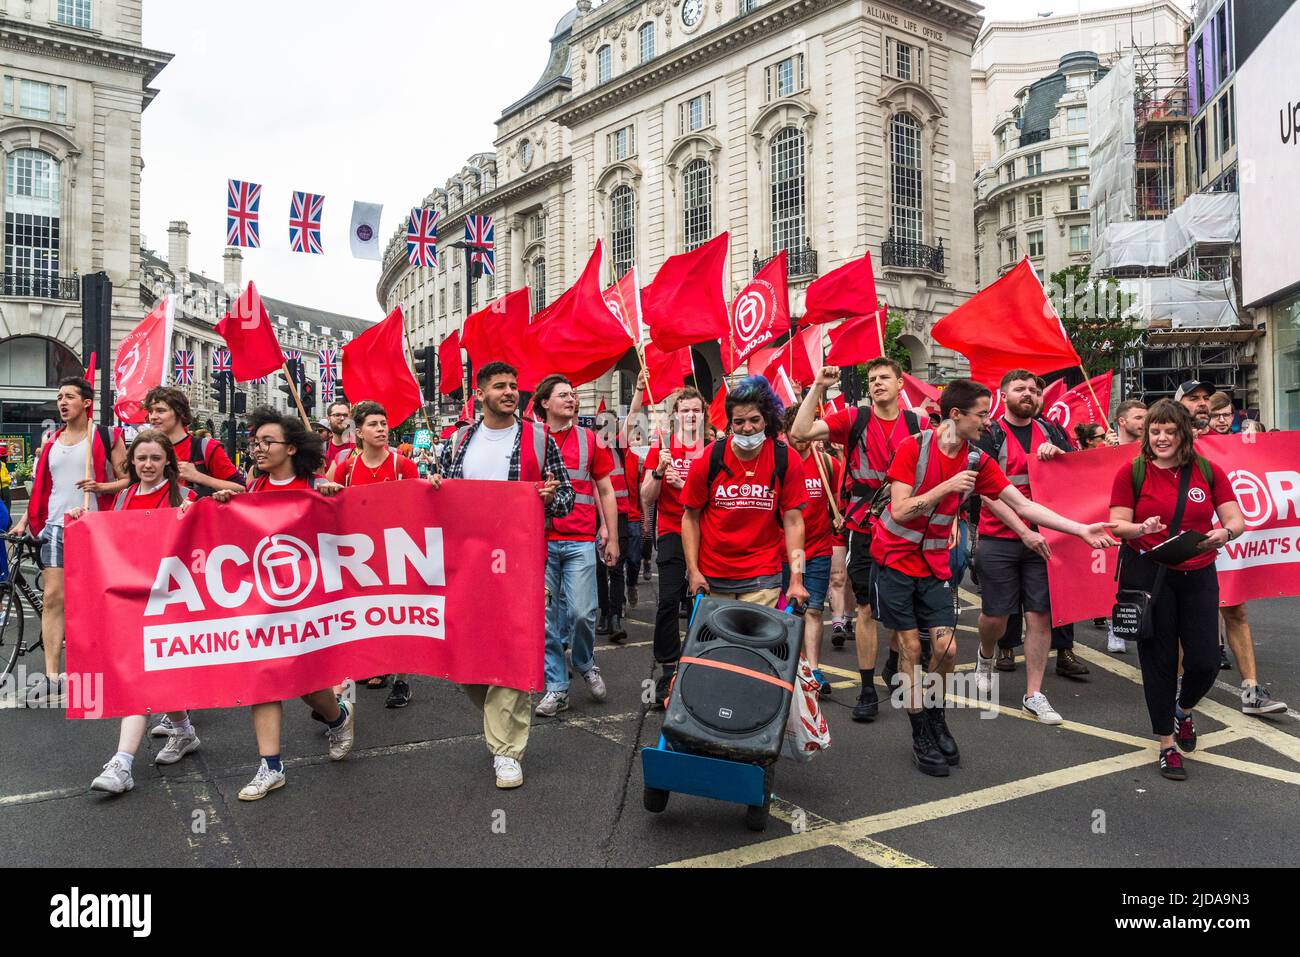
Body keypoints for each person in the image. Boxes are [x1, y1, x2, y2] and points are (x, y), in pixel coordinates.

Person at [873, 380, 1116, 776]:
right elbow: (900, 512)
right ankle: (920, 734)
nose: (987, 423)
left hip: (934, 565)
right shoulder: (913, 447)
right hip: (895, 561)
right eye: (981, 414)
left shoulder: (976, 460)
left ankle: (936, 719)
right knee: (910, 652)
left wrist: (1080, 529)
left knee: (948, 652)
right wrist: (946, 488)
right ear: (956, 415)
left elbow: (1022, 505)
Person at [439, 362, 573, 788]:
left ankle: (507, 750)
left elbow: (567, 497)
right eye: (500, 386)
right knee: (468, 658)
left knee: (511, 650)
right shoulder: (459, 440)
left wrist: (549, 498)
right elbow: (438, 497)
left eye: (514, 386)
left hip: (520, 562)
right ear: (480, 394)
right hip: (467, 564)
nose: (510, 392)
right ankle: (501, 719)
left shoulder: (538, 438)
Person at [210, 408, 355, 800]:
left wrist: (335, 499)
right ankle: (270, 766)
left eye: (267, 442)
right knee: (264, 678)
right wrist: (222, 506)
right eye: (255, 443)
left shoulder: (317, 485)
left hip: (311, 602)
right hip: (265, 603)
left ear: (291, 448)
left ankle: (337, 716)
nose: (258, 449)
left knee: (308, 686)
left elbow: (351, 533)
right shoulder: (252, 491)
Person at [1108, 400, 1247, 780]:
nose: (1162, 438)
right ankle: (1166, 744)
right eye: (1155, 431)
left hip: (1199, 575)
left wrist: (1226, 532)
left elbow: (1236, 517)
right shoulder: (1132, 471)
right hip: (1152, 579)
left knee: (1204, 661)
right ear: (1147, 434)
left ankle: (1183, 710)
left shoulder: (1206, 469)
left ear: (1183, 433)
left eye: (1169, 431)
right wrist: (1140, 528)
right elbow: (1117, 524)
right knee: (1158, 664)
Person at [791, 358, 928, 723]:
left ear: (901, 384)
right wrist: (818, 387)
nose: (878, 382)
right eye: (872, 379)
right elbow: (801, 431)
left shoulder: (920, 425)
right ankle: (867, 689)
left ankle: (891, 660)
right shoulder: (854, 419)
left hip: (907, 530)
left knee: (902, 610)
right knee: (865, 608)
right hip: (864, 526)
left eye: (886, 377)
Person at [71, 431, 201, 793]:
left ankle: (123, 763)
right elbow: (113, 543)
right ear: (131, 462)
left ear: (167, 463)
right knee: (151, 673)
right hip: (133, 599)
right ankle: (185, 732)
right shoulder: (125, 496)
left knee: (142, 676)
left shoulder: (185, 497)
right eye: (141, 458)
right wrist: (84, 521)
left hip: (170, 599)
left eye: (155, 459)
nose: (147, 465)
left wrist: (199, 512)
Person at [973, 371, 1091, 709]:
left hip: (1044, 539)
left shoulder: (1052, 430)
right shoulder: (990, 434)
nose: (1029, 394)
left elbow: (1075, 476)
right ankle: (985, 654)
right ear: (1003, 393)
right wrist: (1023, 531)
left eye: (1034, 389)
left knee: (1039, 615)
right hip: (1000, 538)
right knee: (996, 616)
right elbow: (986, 494)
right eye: (1020, 388)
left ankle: (1034, 693)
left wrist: (1060, 457)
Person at [10, 377, 127, 707]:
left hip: (93, 526)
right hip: (56, 529)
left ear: (86, 403)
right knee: (53, 599)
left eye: (70, 397)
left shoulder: (107, 435)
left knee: (93, 602)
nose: (62, 402)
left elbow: (128, 476)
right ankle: (51, 675)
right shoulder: (52, 440)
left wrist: (102, 488)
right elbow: (44, 487)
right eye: (59, 397)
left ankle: (102, 669)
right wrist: (23, 522)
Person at [681, 376, 808, 611]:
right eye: (739, 421)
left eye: (754, 420)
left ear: (767, 420)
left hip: (763, 576)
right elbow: (690, 518)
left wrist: (797, 579)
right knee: (718, 648)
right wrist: (693, 572)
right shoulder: (708, 459)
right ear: (730, 423)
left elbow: (794, 522)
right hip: (713, 575)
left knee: (753, 647)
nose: (747, 428)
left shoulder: (786, 458)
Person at [532, 374, 619, 718]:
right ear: (544, 403)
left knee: (583, 613)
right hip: (540, 543)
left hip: (581, 541)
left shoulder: (590, 440)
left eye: (573, 395)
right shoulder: (531, 442)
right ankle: (557, 688)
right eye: (563, 395)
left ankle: (584, 661)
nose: (572, 399)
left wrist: (610, 533)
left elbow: (606, 489)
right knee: (547, 621)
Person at [331, 400, 422, 704]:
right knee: (359, 618)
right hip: (359, 558)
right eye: (373, 424)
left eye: (383, 423)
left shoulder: (402, 465)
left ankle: (402, 680)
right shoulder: (347, 468)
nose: (381, 429)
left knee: (401, 617)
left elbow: (420, 505)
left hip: (396, 552)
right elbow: (329, 503)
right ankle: (351, 687)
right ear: (359, 431)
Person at [642, 386, 711, 707]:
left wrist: (685, 487)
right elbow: (646, 496)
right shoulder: (663, 447)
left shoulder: (713, 449)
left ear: (704, 414)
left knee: (705, 604)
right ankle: (668, 670)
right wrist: (657, 471)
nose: (691, 415)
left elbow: (721, 499)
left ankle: (703, 666)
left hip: (707, 534)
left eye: (696, 409)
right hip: (671, 531)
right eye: (685, 410)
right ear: (675, 415)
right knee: (669, 601)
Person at [781, 406, 840, 690]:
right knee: (788, 611)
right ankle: (788, 666)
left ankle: (814, 670)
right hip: (785, 552)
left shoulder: (828, 464)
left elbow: (840, 502)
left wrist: (840, 519)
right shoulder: (781, 464)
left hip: (819, 548)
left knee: (815, 610)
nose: (800, 438)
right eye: (794, 432)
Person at [144, 387, 244, 499]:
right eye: (150, 411)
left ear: (179, 412)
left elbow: (241, 489)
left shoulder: (206, 448)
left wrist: (198, 477)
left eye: (160, 411)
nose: (153, 417)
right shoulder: (146, 450)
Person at [321, 400, 356, 473]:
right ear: (328, 418)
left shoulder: (359, 445)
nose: (342, 418)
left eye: (346, 415)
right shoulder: (321, 449)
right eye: (337, 415)